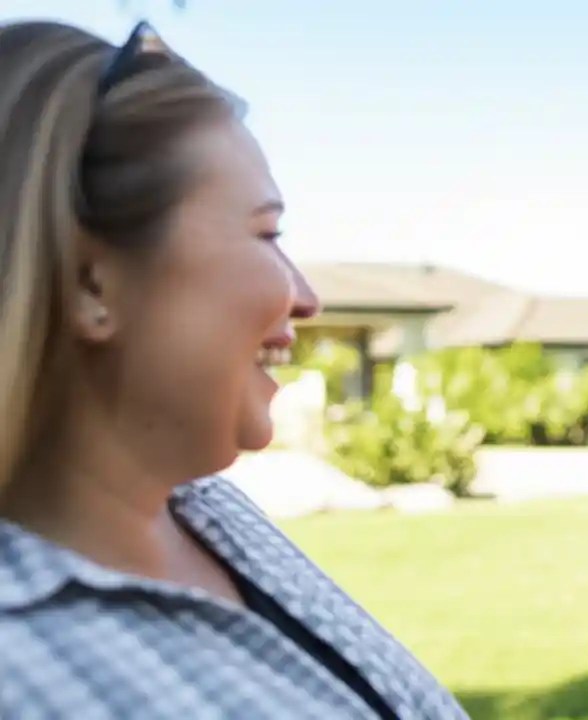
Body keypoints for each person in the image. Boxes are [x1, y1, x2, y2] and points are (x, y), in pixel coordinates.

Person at [0, 20, 468, 719]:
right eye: (266, 232)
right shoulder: (23, 670)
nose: (306, 298)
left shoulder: (204, 509)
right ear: (89, 282)